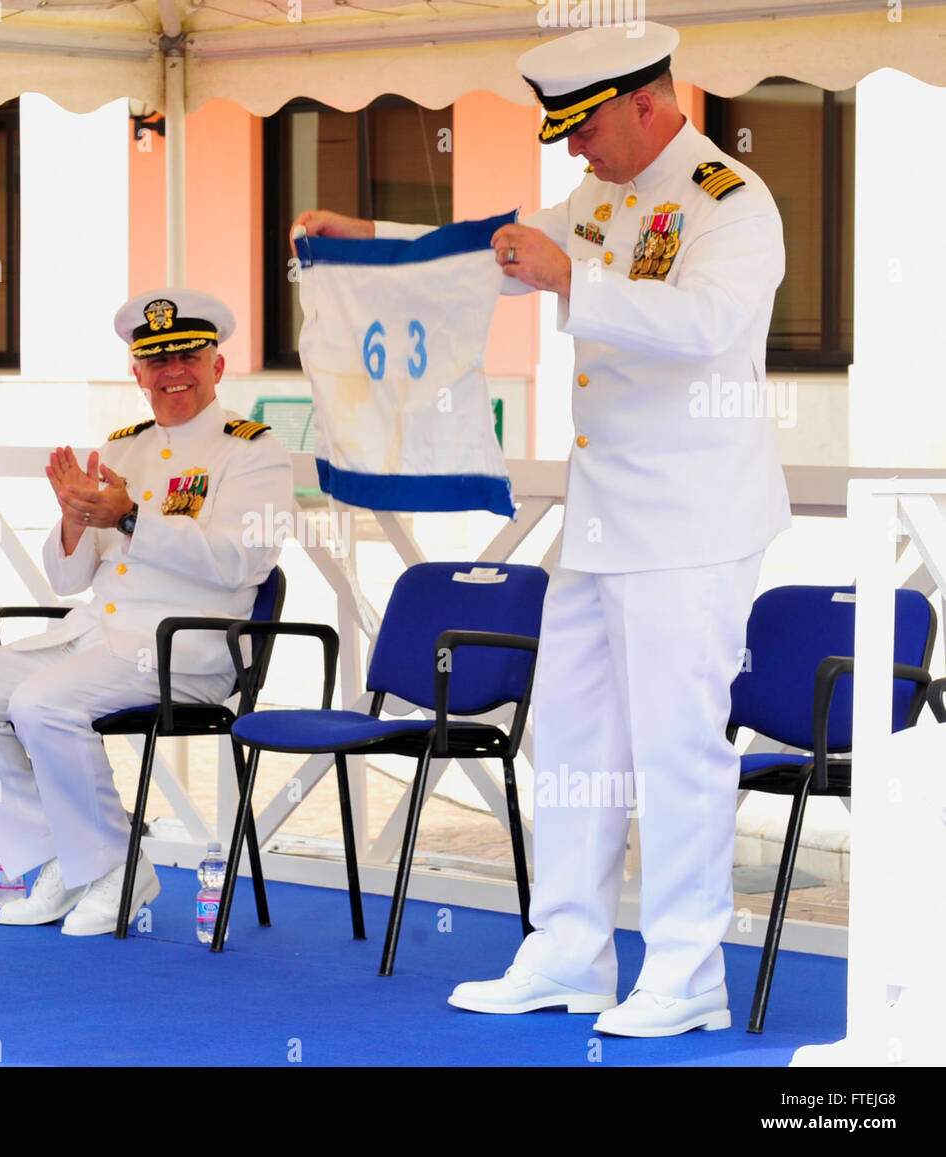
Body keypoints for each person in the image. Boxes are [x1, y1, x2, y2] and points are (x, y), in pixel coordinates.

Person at [295, 21, 788, 1036]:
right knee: (568, 736)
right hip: (603, 518)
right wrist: (369, 242)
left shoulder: (729, 203)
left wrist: (575, 280)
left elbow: (706, 328)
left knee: (673, 748)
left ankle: (687, 970)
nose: (573, 149)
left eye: (585, 126)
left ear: (645, 104)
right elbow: (496, 255)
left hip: (693, 520)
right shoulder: (601, 195)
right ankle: (569, 947)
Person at [0, 289, 293, 937]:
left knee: (41, 702)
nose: (173, 370)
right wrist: (71, 518)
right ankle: (67, 857)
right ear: (137, 372)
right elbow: (69, 579)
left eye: (189, 356)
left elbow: (241, 563)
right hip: (95, 635)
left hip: (186, 651)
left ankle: (116, 868)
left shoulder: (253, 451)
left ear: (217, 366)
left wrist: (127, 516)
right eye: (156, 360)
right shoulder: (122, 448)